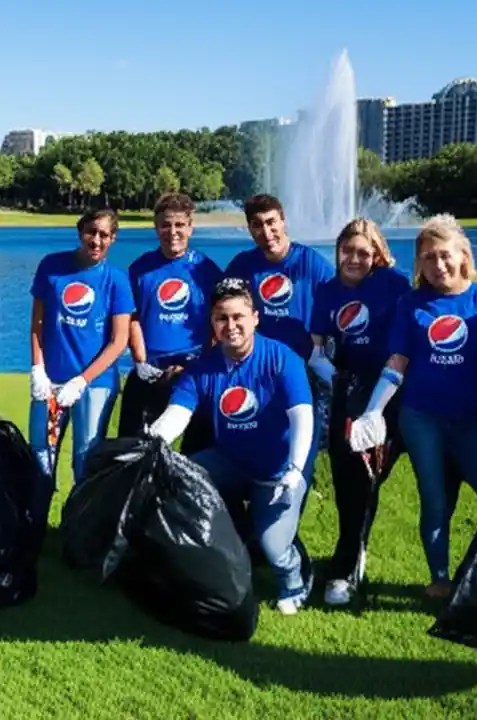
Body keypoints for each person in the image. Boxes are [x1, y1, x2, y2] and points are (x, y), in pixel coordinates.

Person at [349, 214, 477, 600]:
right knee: (434, 497)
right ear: (419, 264)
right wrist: (373, 411)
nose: (438, 265)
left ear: (464, 255)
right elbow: (397, 363)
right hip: (419, 418)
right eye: (428, 258)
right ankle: (440, 580)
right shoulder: (412, 304)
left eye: (445, 255)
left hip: (468, 423)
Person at [149, 277, 316, 614]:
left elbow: (302, 416)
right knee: (180, 476)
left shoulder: (282, 358)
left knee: (273, 546)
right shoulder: (203, 367)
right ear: (212, 323)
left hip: (278, 469)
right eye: (221, 318)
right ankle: (225, 552)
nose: (231, 325)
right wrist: (150, 443)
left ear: (255, 317)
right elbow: (177, 415)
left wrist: (296, 470)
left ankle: (294, 577)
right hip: (231, 460)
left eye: (238, 316)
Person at [307, 219, 412, 607]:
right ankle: (349, 556)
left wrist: (377, 406)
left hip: (390, 392)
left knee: (369, 476)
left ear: (377, 255)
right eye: (347, 251)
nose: (353, 259)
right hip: (346, 391)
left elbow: (406, 347)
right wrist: (333, 376)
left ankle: (350, 562)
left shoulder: (395, 286)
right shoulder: (327, 290)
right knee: (348, 480)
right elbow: (316, 349)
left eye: (363, 252)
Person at [29, 208, 133, 490]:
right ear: (80, 233)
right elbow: (37, 324)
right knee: (40, 452)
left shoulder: (117, 280)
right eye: (91, 232)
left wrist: (82, 380)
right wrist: (38, 369)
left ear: (113, 238)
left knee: (85, 457)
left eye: (104, 235)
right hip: (50, 381)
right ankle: (33, 526)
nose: (96, 240)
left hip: (95, 384)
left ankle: (79, 528)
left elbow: (119, 341)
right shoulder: (52, 266)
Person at [117, 192, 221, 453]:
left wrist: (202, 363)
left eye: (179, 225)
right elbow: (132, 317)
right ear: (156, 227)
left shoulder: (206, 269)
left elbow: (220, 320)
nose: (172, 232)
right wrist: (140, 361)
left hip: (193, 372)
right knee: (135, 451)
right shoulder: (141, 269)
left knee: (195, 454)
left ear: (190, 227)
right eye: (165, 224)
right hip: (150, 372)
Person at [224, 194, 336, 361]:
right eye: (257, 225)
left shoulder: (311, 263)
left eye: (271, 222)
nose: (266, 233)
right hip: (260, 360)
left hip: (305, 360)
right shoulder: (242, 266)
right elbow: (221, 309)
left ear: (283, 221)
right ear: (249, 228)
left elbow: (342, 299)